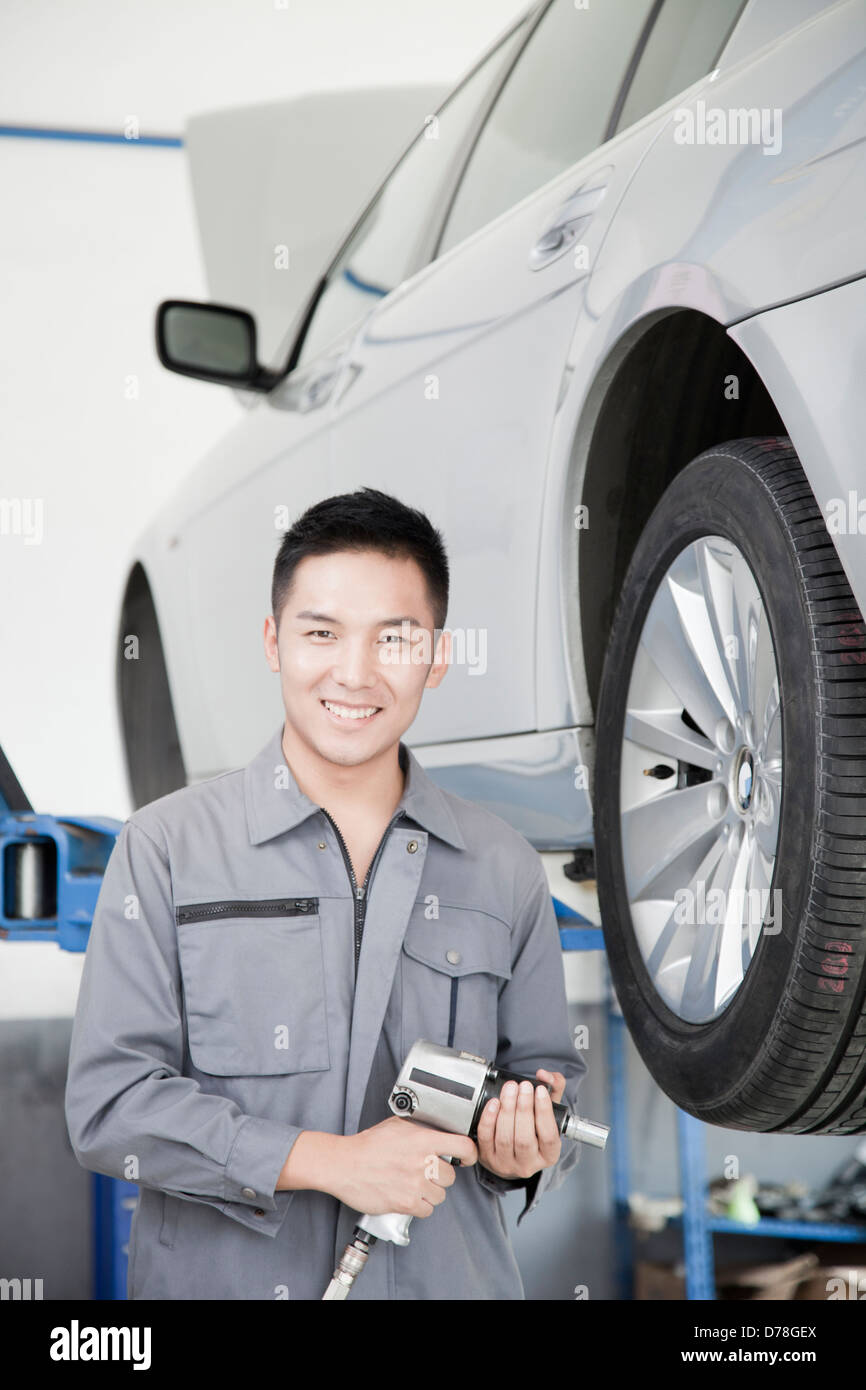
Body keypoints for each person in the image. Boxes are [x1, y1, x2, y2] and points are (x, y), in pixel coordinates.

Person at [65, 486, 588, 1299]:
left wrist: (529, 1151)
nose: (355, 672)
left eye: (396, 638)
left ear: (438, 656)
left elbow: (549, 1088)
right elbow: (110, 1106)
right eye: (322, 633)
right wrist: (331, 1162)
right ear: (274, 642)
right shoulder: (166, 849)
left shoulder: (502, 866)